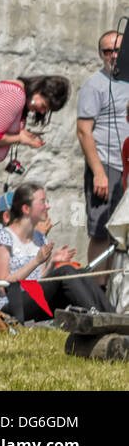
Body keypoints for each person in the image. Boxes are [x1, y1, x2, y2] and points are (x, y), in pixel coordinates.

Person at [0, 183, 112, 322]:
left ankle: (113, 316)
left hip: (34, 301)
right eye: (42, 202)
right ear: (26, 208)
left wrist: (52, 263)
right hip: (11, 305)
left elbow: (41, 280)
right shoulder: (4, 237)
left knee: (77, 271)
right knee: (65, 271)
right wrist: (36, 261)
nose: (48, 206)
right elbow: (3, 286)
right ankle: (98, 320)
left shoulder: (40, 237)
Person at [75, 30, 129, 274]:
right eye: (109, 51)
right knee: (101, 231)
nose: (114, 55)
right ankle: (97, 290)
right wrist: (98, 172)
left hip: (126, 165)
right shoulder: (94, 85)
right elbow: (84, 131)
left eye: (118, 49)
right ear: (101, 54)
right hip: (107, 164)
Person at [0, 75, 69, 174]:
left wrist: (21, 133)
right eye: (43, 106)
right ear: (38, 92)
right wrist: (19, 138)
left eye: (46, 110)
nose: (42, 112)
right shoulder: (15, 95)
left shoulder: (16, 92)